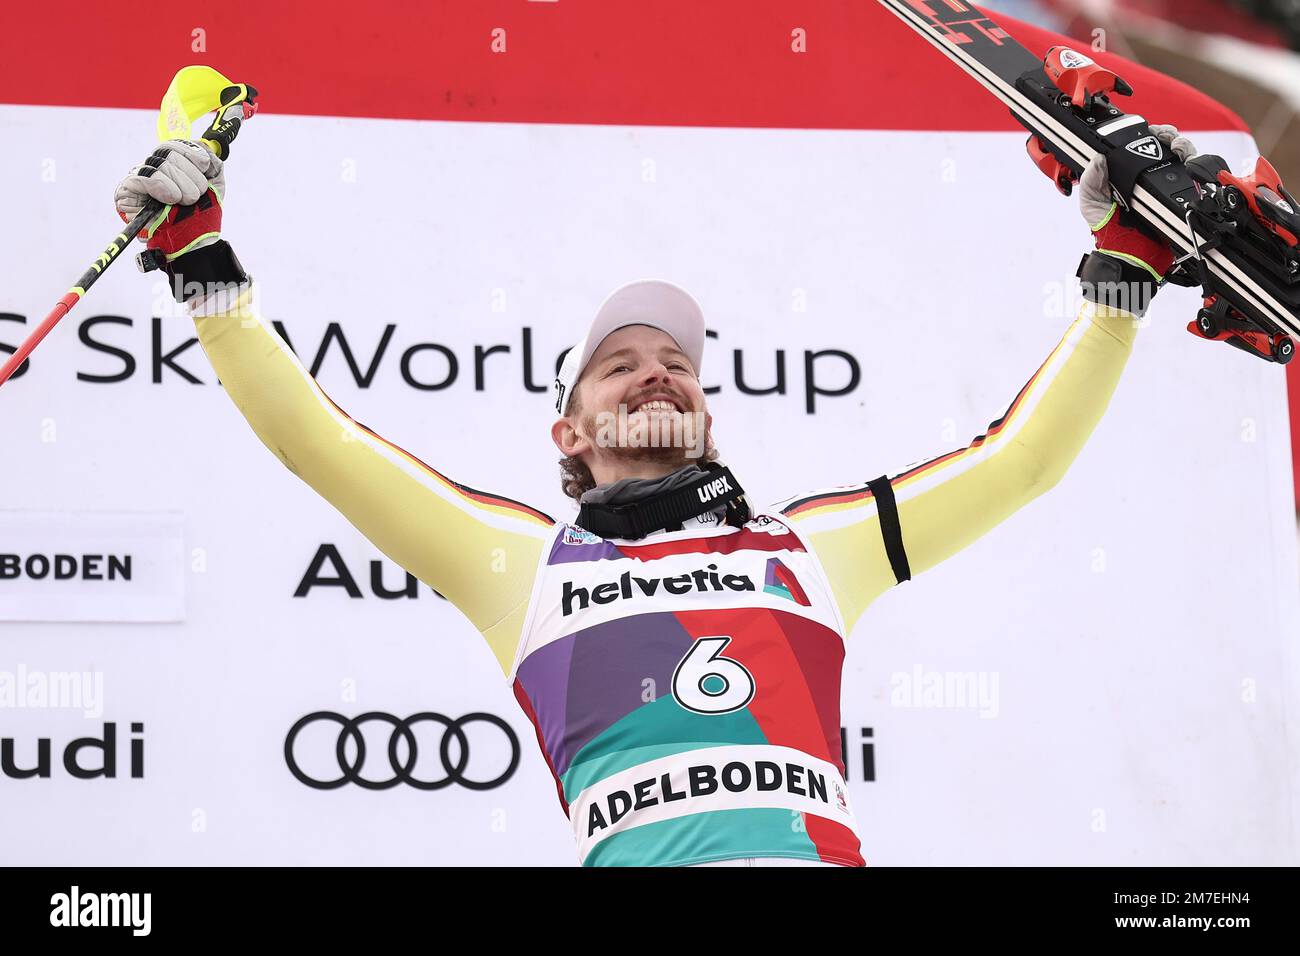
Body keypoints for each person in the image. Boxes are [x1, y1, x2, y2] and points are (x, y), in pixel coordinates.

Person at [114, 125, 1195, 867]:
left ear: (709, 417)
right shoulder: (520, 565)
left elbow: (1022, 460)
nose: (657, 370)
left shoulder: (814, 547)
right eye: (619, 362)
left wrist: (1117, 279)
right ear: (569, 433)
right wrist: (204, 260)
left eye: (676, 360)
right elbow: (319, 442)